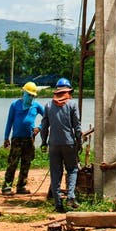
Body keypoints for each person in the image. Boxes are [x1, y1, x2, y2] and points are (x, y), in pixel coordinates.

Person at [40, 77, 82, 212]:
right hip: (69, 143)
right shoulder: (72, 105)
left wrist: (43, 143)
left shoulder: (48, 105)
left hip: (53, 144)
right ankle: (70, 197)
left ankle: (58, 203)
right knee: (72, 170)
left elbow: (44, 127)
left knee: (55, 172)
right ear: (68, 91)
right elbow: (77, 127)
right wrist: (79, 142)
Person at [2, 81, 44, 195]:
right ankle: (7, 186)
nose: (30, 97)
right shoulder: (15, 105)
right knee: (13, 163)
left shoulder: (36, 106)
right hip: (16, 139)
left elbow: (47, 117)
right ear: (23, 93)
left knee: (26, 163)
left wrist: (39, 128)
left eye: (32, 95)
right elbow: (9, 122)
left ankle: (21, 186)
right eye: (28, 94)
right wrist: (6, 138)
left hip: (29, 139)